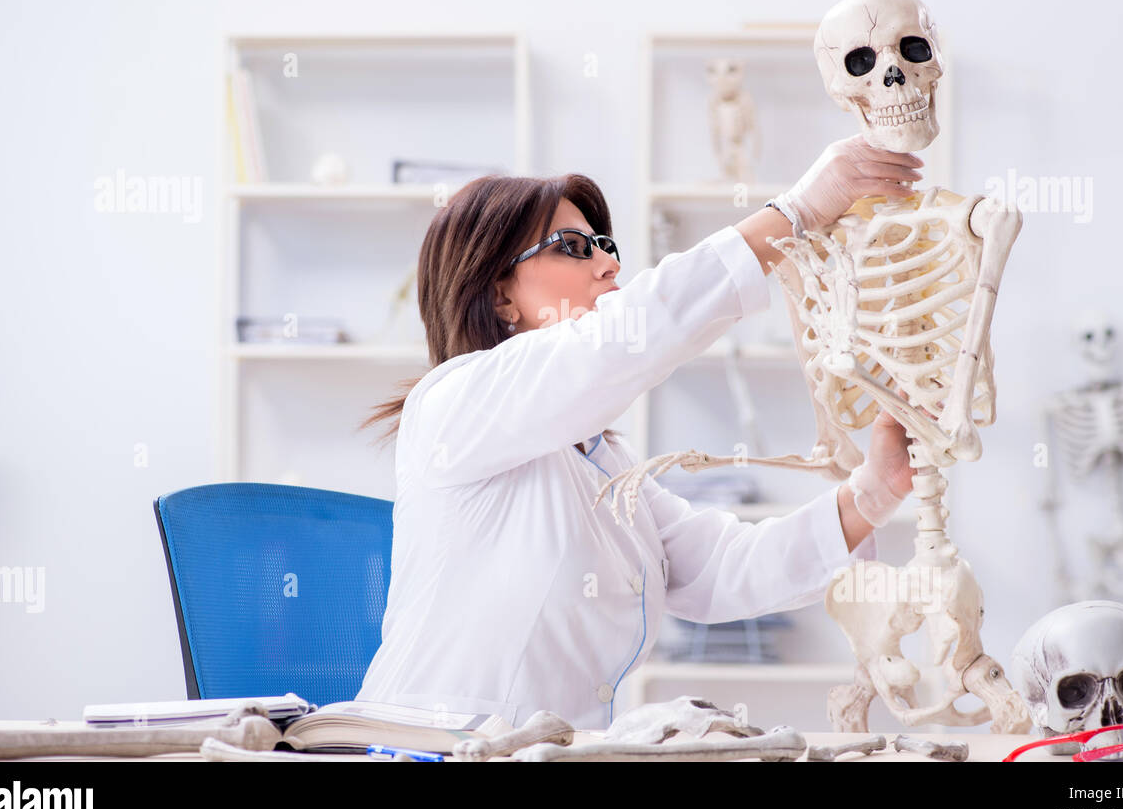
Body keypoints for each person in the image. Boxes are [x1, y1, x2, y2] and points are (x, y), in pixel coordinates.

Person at [355, 134, 923, 730]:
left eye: (604, 244)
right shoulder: (451, 404)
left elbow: (725, 569)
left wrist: (876, 490)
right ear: (501, 296)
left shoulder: (602, 463)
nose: (610, 264)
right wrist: (796, 215)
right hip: (431, 743)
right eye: (573, 248)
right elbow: (619, 343)